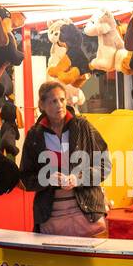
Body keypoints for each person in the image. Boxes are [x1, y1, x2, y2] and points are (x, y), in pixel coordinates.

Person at [19, 81, 112, 237]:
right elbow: (25, 179)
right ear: (41, 105)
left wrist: (79, 177)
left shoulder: (83, 126)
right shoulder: (34, 136)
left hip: (88, 213)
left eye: (62, 100)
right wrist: (47, 178)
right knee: (57, 261)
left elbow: (105, 165)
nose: (59, 105)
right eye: (53, 101)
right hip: (51, 218)